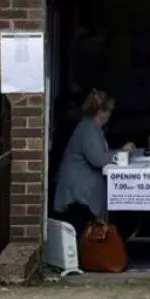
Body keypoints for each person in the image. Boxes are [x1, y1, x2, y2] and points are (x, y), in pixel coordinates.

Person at [53, 89, 135, 240]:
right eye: (109, 110)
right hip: (79, 189)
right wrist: (122, 152)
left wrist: (119, 152)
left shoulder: (91, 127)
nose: (110, 114)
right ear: (101, 111)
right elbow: (97, 159)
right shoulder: (88, 129)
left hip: (80, 184)